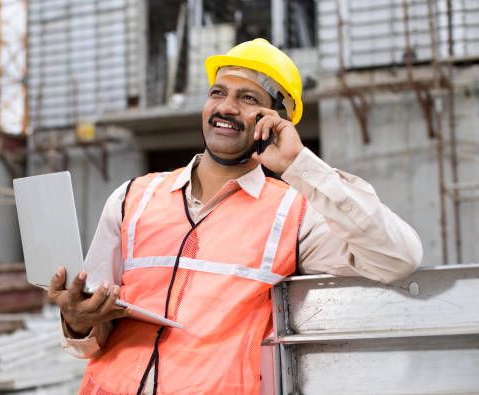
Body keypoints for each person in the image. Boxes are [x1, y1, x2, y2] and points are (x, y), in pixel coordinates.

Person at [48, 38, 423, 394]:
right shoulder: (133, 197)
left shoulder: (292, 215)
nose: (225, 107)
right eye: (218, 93)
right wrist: (78, 322)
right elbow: (90, 338)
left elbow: (398, 257)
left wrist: (299, 164)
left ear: (275, 120)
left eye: (247, 98)